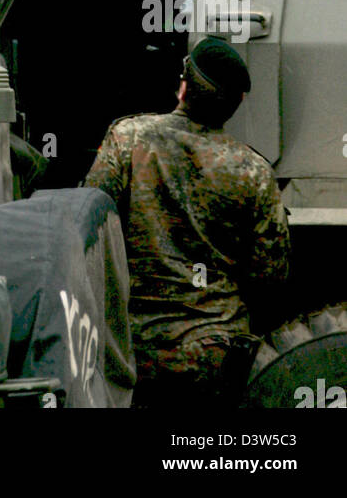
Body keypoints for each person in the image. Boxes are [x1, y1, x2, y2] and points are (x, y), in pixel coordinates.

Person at [83, 37, 291, 408]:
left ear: (183, 84)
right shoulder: (253, 172)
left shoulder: (127, 139)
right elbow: (270, 275)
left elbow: (89, 225)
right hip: (216, 357)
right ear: (235, 104)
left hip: (132, 351)